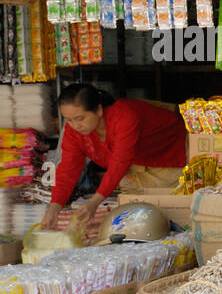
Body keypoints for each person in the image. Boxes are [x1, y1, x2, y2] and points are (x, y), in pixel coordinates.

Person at [41, 84, 188, 231]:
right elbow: (67, 169)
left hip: (166, 155)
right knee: (139, 220)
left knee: (171, 215)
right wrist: (54, 207)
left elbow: (120, 162)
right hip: (134, 166)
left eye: (79, 118)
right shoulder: (73, 132)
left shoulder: (124, 115)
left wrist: (94, 202)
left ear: (98, 110)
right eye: (69, 120)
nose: (75, 125)